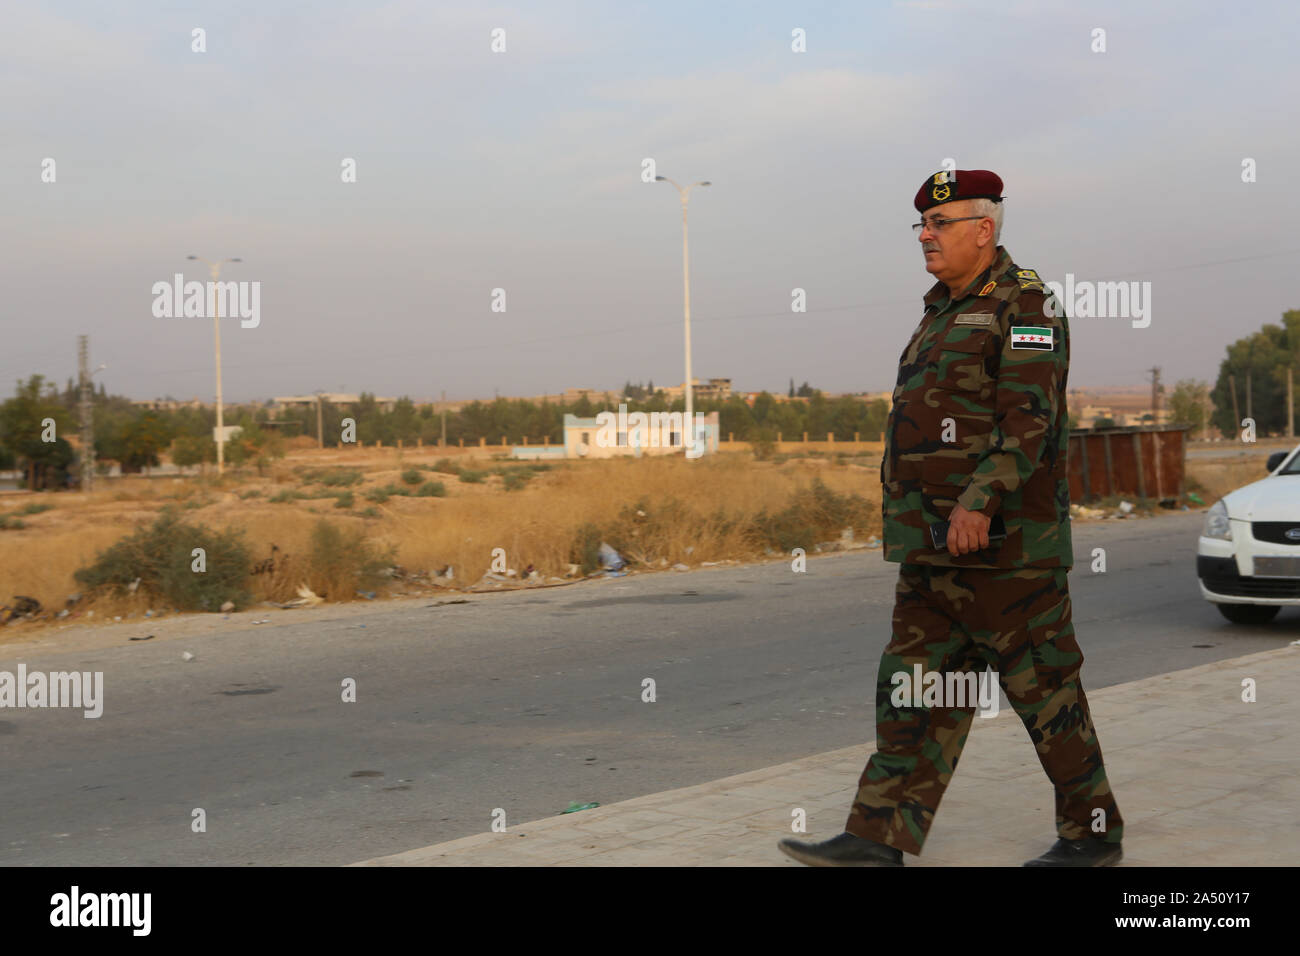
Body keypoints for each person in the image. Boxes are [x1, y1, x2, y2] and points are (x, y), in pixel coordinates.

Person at [779, 169, 1123, 867]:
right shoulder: (941, 309)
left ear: (983, 230)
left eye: (939, 226)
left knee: (1045, 695)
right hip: (932, 549)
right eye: (922, 227)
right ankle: (877, 836)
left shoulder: (1026, 306)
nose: (925, 239)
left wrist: (978, 501)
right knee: (913, 692)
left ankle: (1092, 835)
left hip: (1007, 551)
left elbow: (1028, 422)